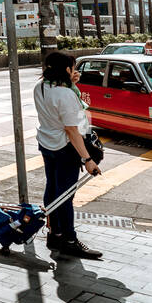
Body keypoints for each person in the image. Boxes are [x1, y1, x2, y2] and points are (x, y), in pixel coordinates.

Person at [34, 51, 103, 259]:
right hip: (65, 149)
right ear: (66, 69)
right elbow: (73, 130)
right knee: (65, 195)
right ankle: (70, 240)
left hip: (46, 144)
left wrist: (71, 84)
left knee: (53, 189)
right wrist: (88, 160)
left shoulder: (40, 86)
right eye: (72, 68)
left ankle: (54, 234)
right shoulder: (65, 94)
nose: (75, 71)